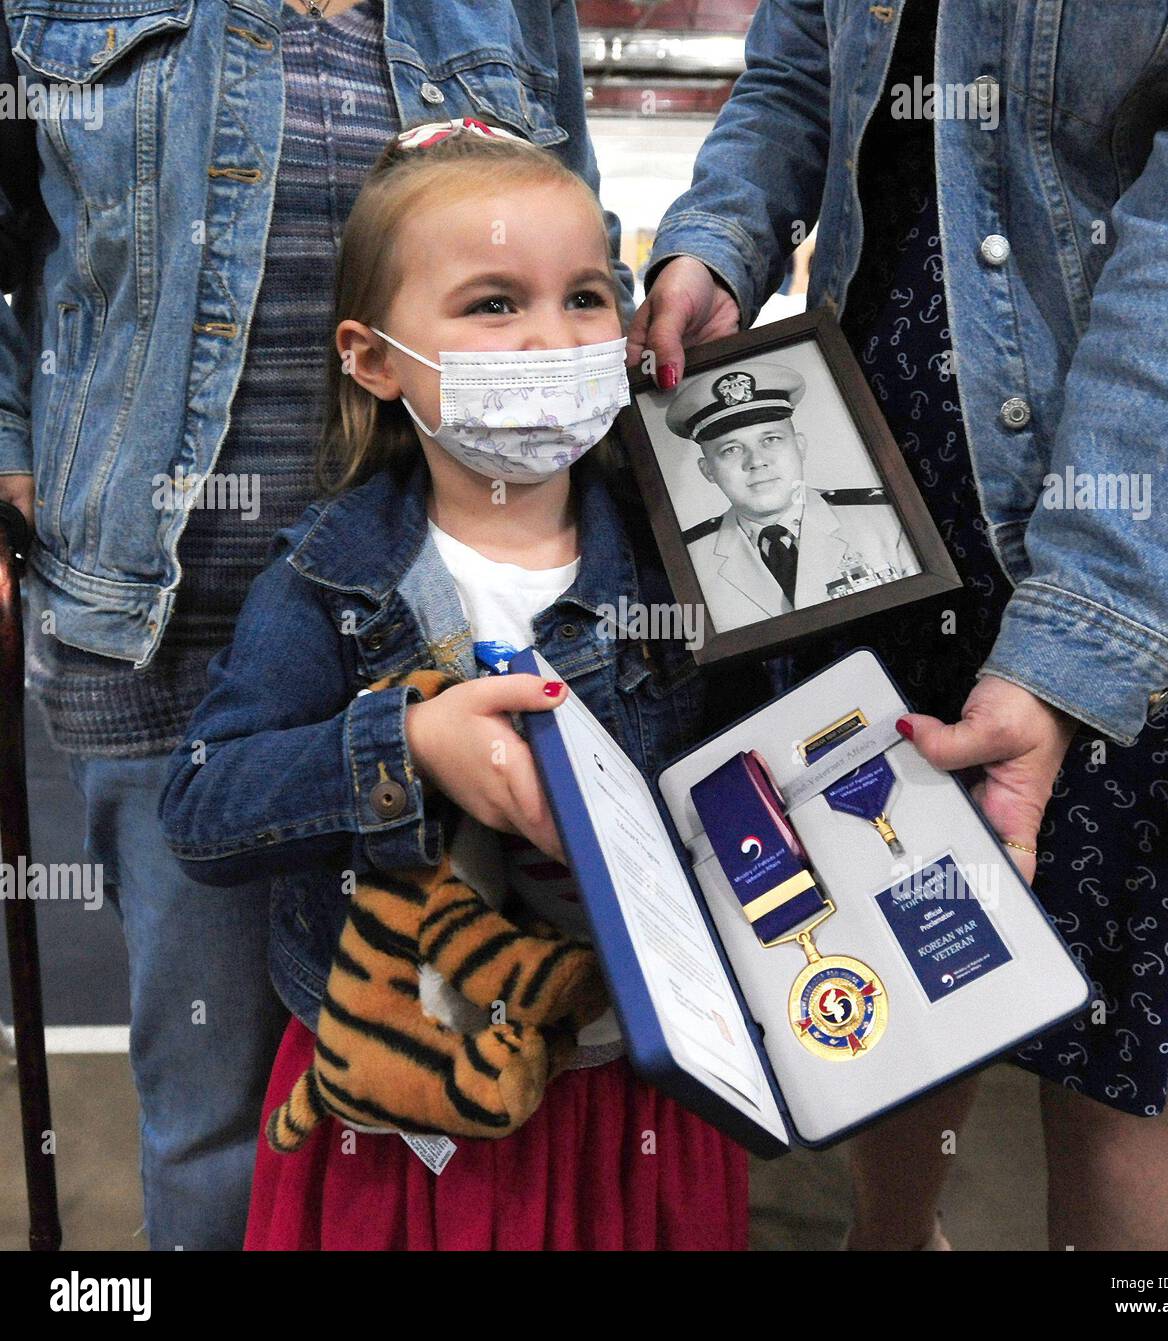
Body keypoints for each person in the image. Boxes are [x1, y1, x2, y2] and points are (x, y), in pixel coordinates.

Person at [631, 0, 1168, 1250]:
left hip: (1147, 516)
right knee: (880, 943)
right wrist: (718, 245)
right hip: (874, 494)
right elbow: (795, 76)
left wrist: (1078, 638)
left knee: (1125, 1055)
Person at [0, 0, 625, 1248]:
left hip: (470, 622)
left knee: (481, 1085)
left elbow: (569, 220)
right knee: (222, 1103)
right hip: (165, 624)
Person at [159, 120, 750, 1251]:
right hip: (412, 1089)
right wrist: (406, 751)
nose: (548, 338)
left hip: (635, 1075)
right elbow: (203, 810)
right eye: (492, 304)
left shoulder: (688, 557)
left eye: (586, 296)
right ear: (374, 357)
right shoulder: (327, 582)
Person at [664, 360, 919, 630]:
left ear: (800, 447)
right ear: (708, 471)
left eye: (771, 439)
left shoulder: (887, 519)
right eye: (731, 449)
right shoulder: (687, 562)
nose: (757, 461)